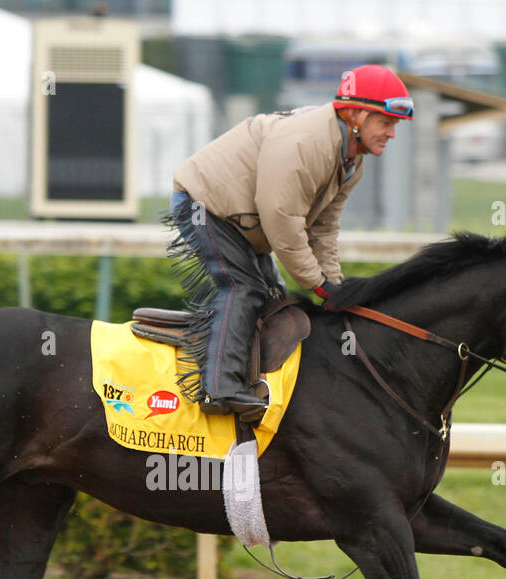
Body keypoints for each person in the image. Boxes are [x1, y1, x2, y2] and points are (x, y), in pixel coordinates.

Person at [164, 64, 413, 421]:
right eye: (386, 122)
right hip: (205, 206)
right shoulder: (307, 142)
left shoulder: (352, 162)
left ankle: (255, 383)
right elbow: (282, 220)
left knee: (275, 299)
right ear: (356, 113)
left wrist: (335, 288)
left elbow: (323, 229)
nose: (392, 133)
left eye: (395, 125)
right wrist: (317, 284)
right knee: (243, 289)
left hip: (243, 219)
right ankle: (218, 388)